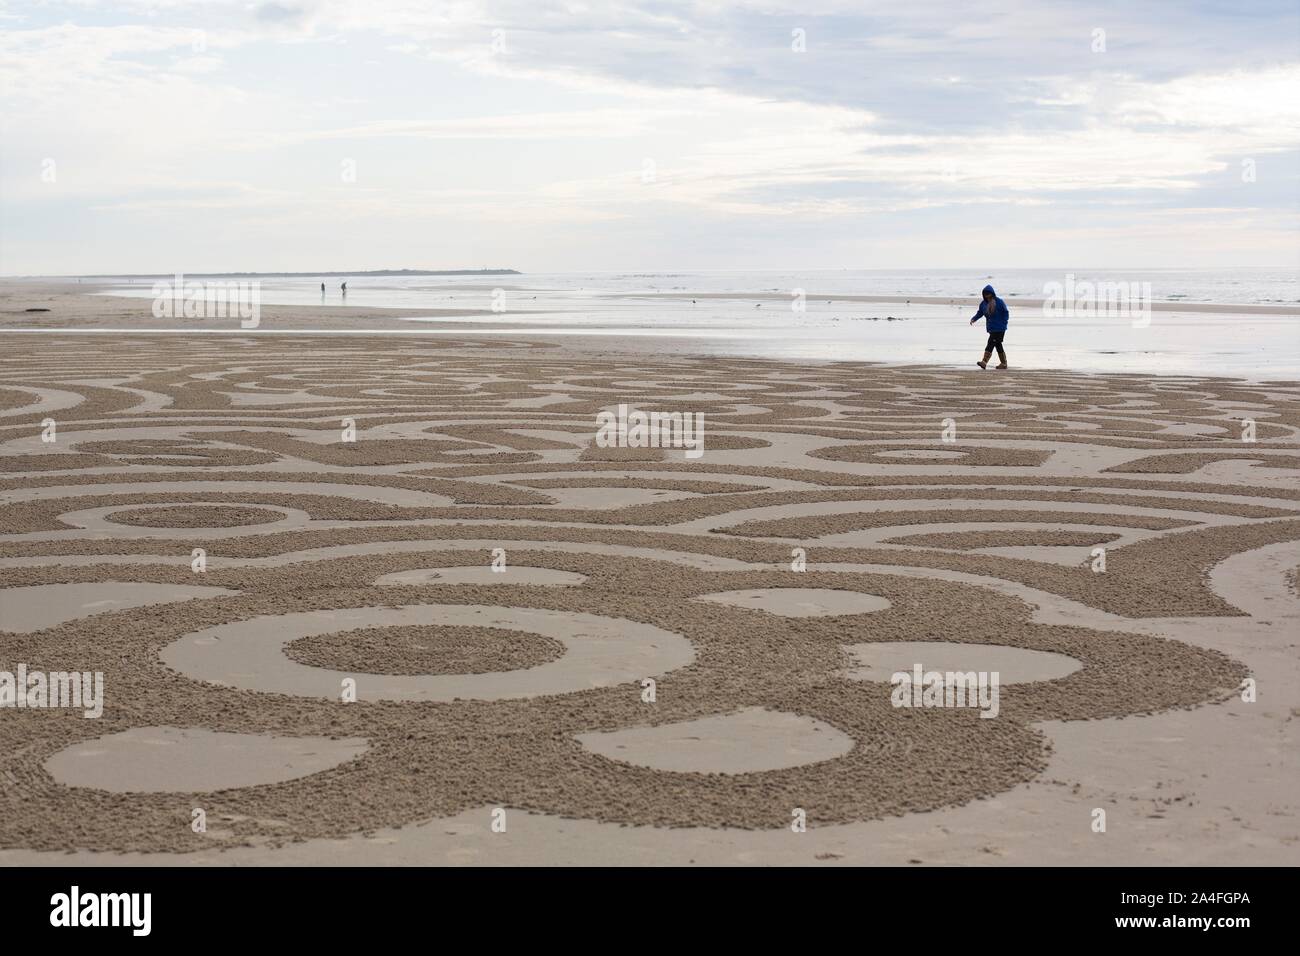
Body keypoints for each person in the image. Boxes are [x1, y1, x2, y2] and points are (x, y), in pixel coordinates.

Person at [969, 284, 1009, 369]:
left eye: (989, 294)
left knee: (990, 343)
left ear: (992, 293)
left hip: (1000, 328)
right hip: (992, 328)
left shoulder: (999, 302)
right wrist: (974, 319)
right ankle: (1004, 363)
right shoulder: (983, 304)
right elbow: (980, 312)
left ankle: (984, 362)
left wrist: (1004, 322)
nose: (987, 296)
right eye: (985, 294)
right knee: (998, 344)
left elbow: (1006, 312)